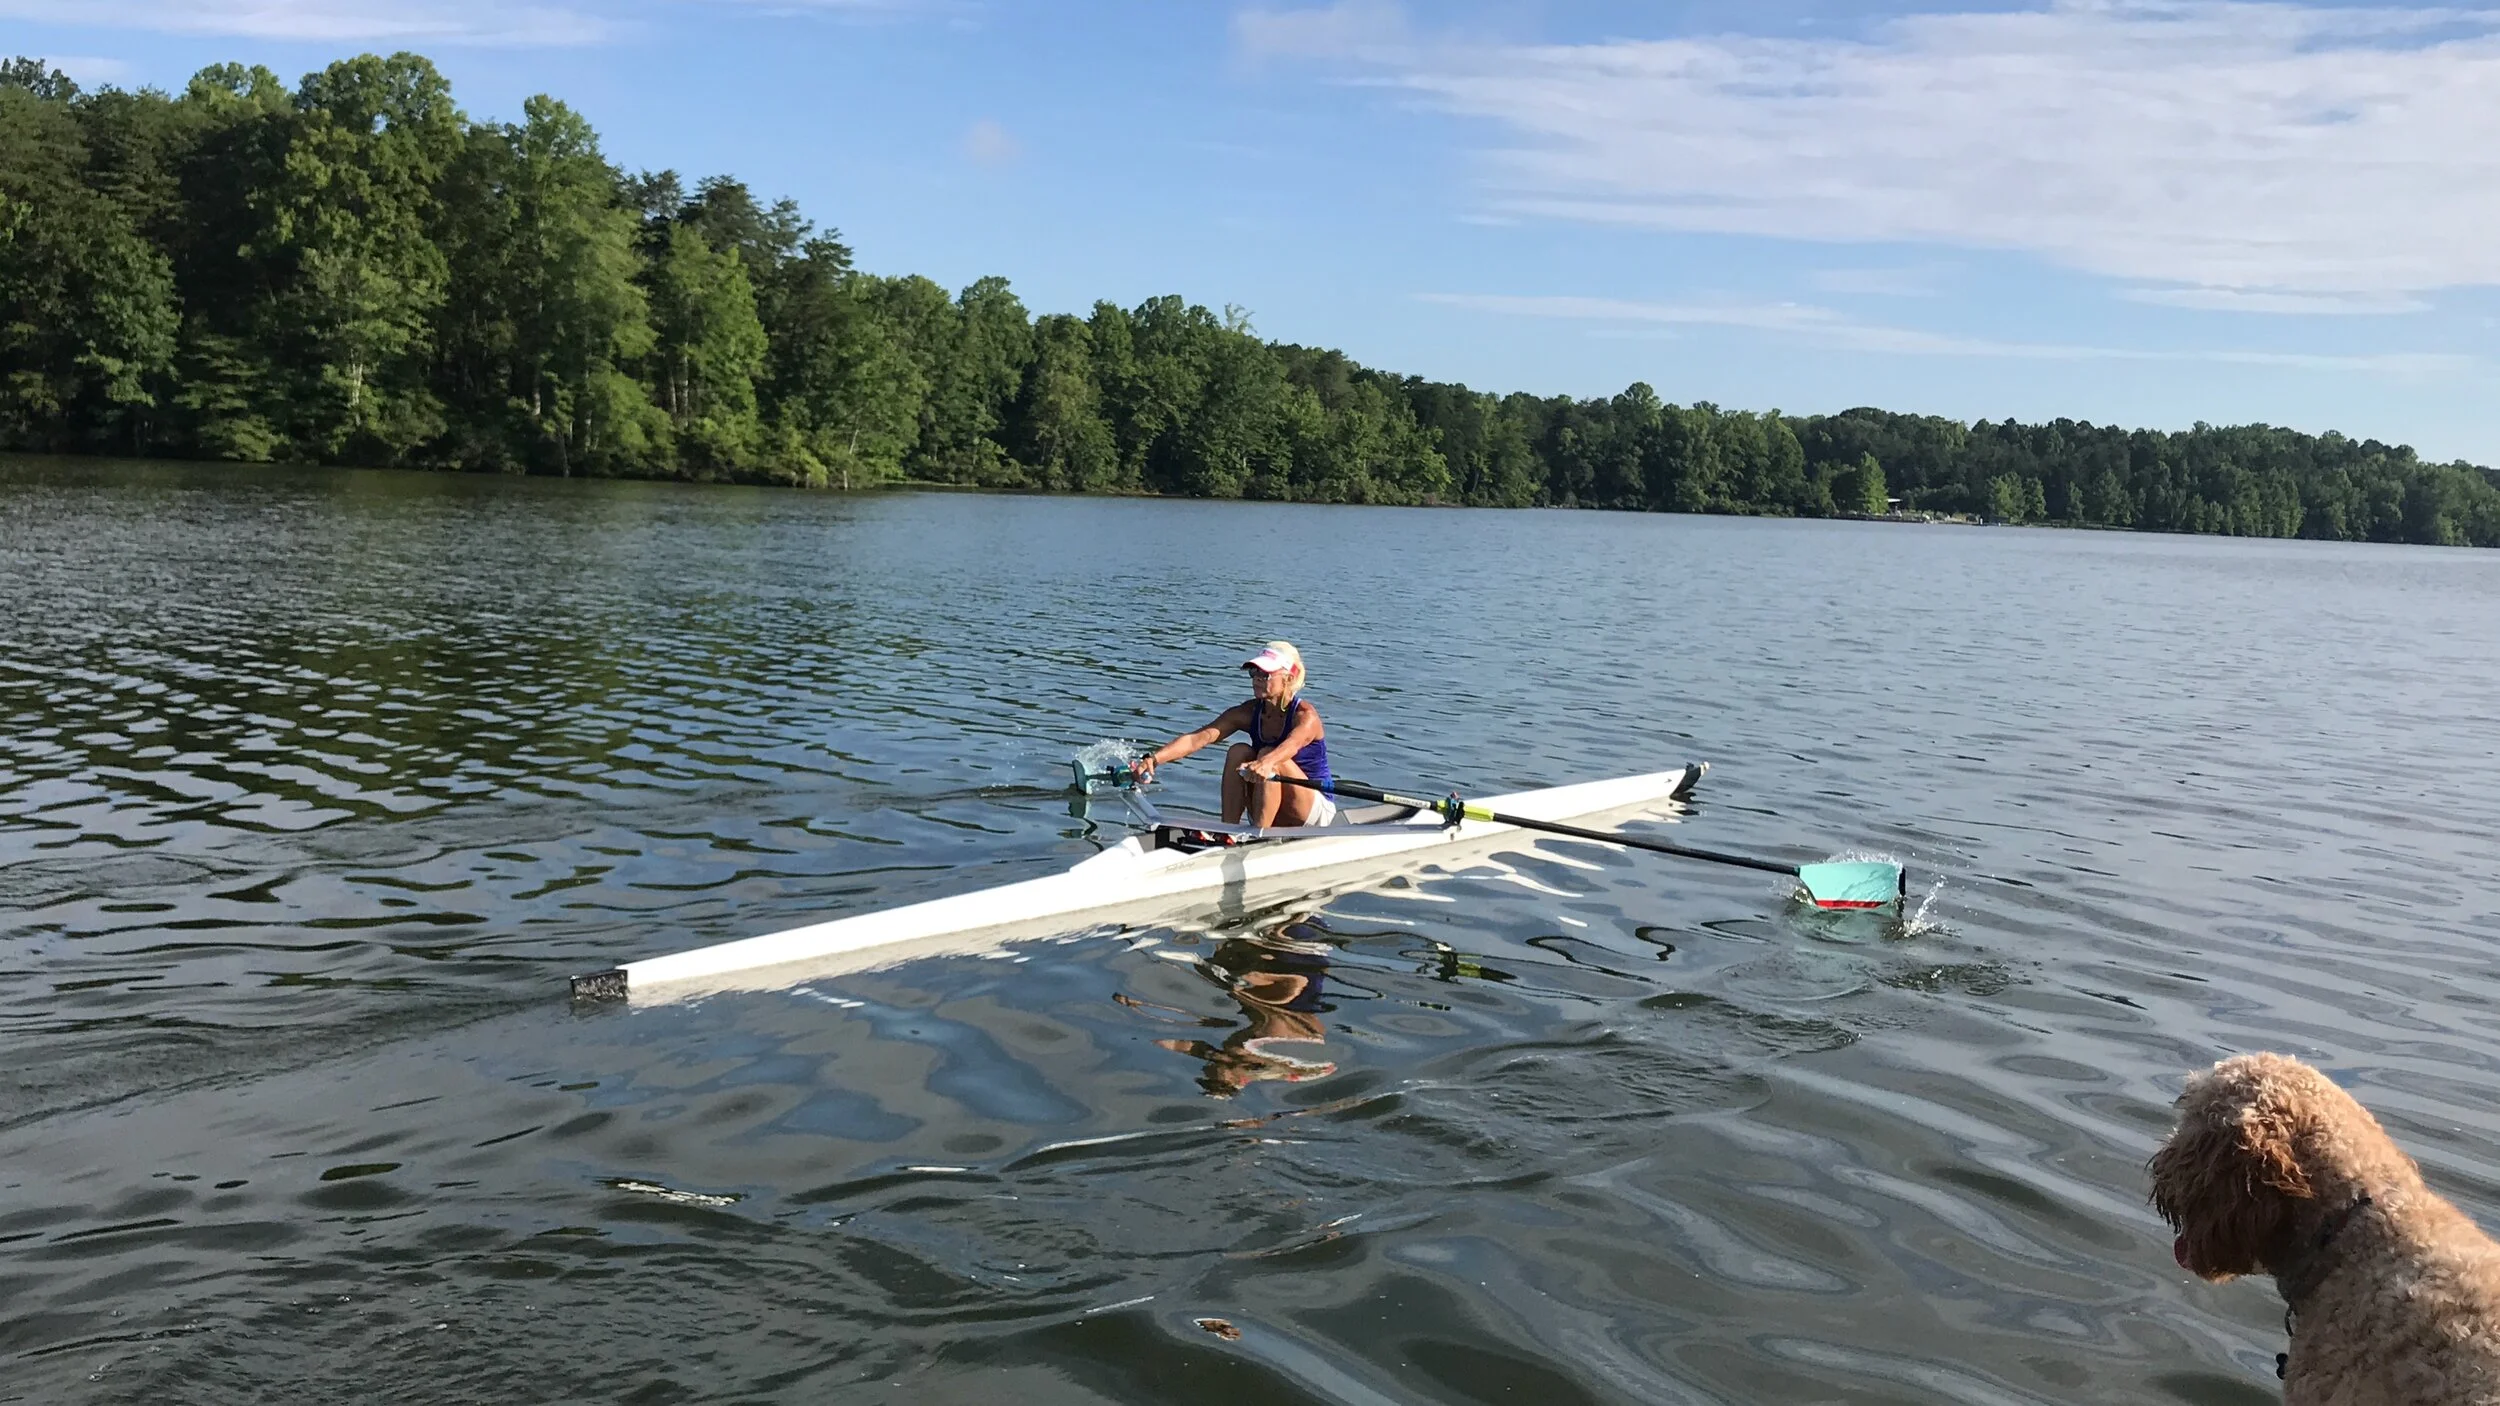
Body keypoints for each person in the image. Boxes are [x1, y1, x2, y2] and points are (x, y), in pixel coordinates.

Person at [1132, 641, 1336, 829]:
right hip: (1272, 801)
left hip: (1314, 811)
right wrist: (1154, 759)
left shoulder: (1306, 717)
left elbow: (1291, 746)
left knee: (1269, 755)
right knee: (1238, 751)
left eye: (1265, 674)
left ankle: (1257, 837)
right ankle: (1227, 830)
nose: (1256, 678)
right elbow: (1198, 738)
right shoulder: (1247, 713)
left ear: (1289, 678)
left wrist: (1266, 762)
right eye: (1254, 672)